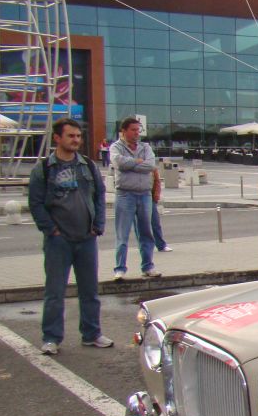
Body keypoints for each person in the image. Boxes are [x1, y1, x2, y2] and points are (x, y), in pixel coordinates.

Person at [27, 118, 114, 355]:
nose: (76, 140)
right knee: (55, 292)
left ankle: (92, 333)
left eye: (78, 136)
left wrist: (98, 225)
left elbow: (99, 195)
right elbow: (35, 203)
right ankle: (51, 338)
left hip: (86, 238)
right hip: (59, 241)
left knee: (90, 290)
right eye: (70, 136)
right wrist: (50, 230)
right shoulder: (45, 168)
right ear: (57, 138)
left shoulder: (87, 164)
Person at [110, 116, 160, 279]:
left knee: (146, 232)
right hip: (125, 194)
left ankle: (148, 266)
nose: (136, 133)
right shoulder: (116, 147)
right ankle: (120, 268)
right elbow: (119, 163)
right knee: (122, 233)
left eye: (138, 130)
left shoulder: (145, 147)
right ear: (123, 131)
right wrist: (138, 163)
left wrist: (132, 164)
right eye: (133, 130)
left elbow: (151, 165)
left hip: (144, 194)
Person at [148, 168, 172, 252]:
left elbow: (157, 181)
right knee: (140, 224)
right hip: (138, 196)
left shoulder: (151, 166)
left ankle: (161, 245)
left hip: (149, 197)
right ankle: (143, 244)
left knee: (155, 222)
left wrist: (156, 196)